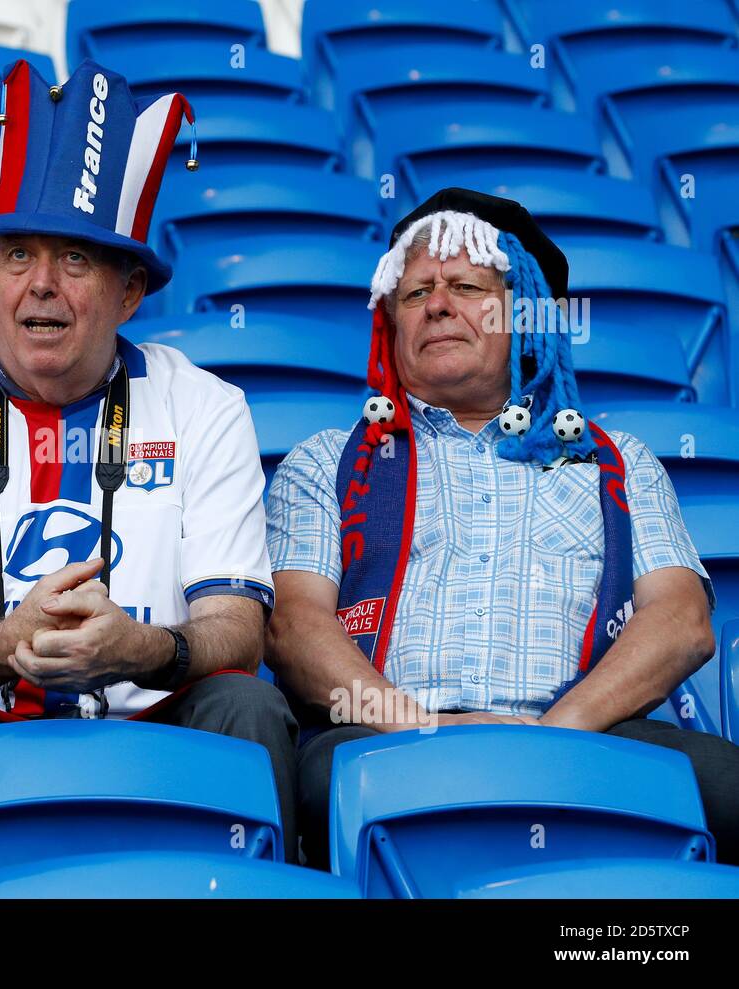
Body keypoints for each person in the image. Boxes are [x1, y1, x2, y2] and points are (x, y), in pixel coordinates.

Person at [0, 59, 298, 895]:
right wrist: (7, 644)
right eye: (16, 254)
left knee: (249, 706)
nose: (40, 284)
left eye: (75, 260)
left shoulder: (208, 405)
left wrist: (142, 649)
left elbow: (236, 628)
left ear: (128, 295)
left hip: (154, 718)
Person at [265, 187, 738, 868]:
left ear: (528, 318)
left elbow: (682, 621)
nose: (436, 304)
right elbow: (294, 626)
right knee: (320, 775)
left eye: (464, 285)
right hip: (386, 737)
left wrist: (556, 732)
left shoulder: (616, 462)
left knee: (724, 782)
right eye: (414, 292)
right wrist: (422, 726)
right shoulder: (327, 462)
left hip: (593, 734)